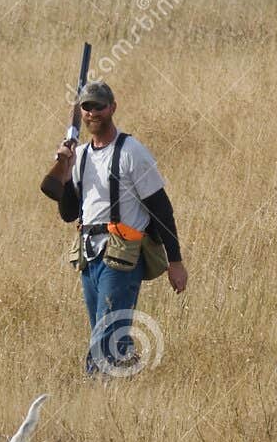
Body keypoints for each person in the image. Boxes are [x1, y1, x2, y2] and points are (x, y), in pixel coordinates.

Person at [46, 82, 186, 374]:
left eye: (99, 106)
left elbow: (162, 209)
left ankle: (93, 391)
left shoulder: (132, 151)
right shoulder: (81, 154)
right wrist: (66, 170)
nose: (93, 112)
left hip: (121, 257)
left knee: (105, 335)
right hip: (88, 257)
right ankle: (122, 387)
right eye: (87, 107)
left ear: (112, 107)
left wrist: (175, 262)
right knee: (107, 331)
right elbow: (68, 213)